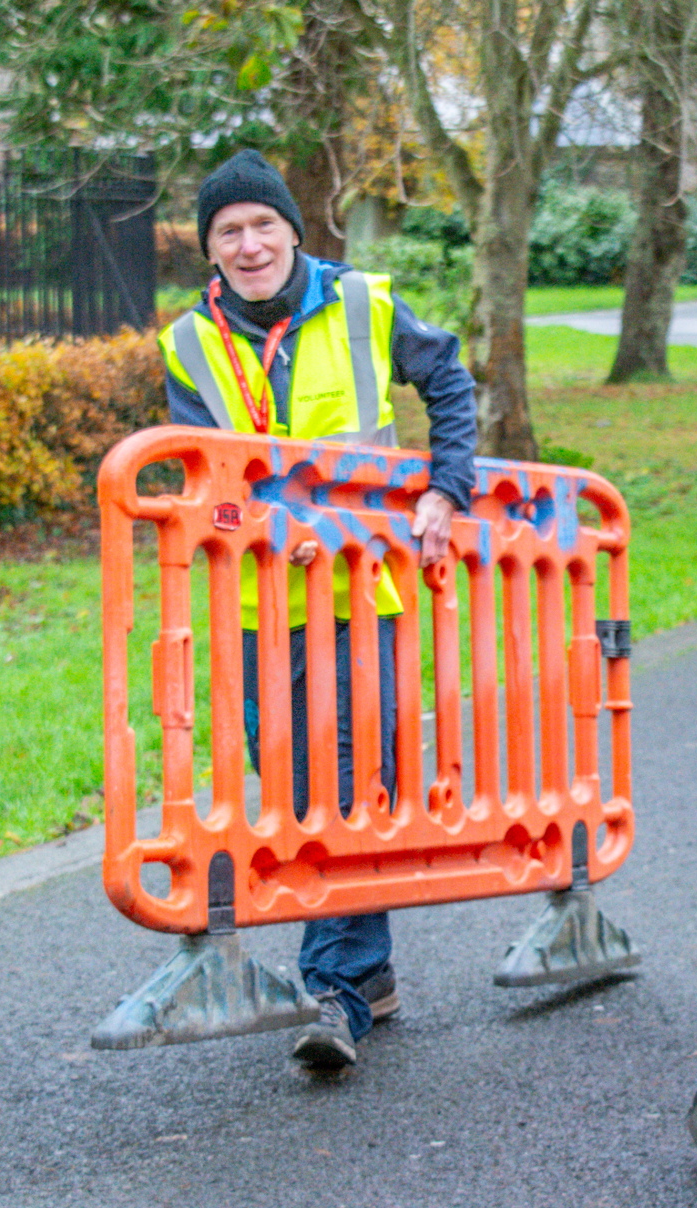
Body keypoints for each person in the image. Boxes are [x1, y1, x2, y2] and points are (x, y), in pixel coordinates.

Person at [159, 149, 477, 1073]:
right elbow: (198, 472)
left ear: (295, 231)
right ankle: (366, 975)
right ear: (210, 250)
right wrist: (254, 521)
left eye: (264, 225)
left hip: (360, 592)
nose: (250, 245)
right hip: (256, 606)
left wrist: (444, 491)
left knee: (347, 779)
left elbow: (448, 381)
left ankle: (336, 989)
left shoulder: (366, 305)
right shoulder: (189, 342)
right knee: (292, 785)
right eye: (230, 232)